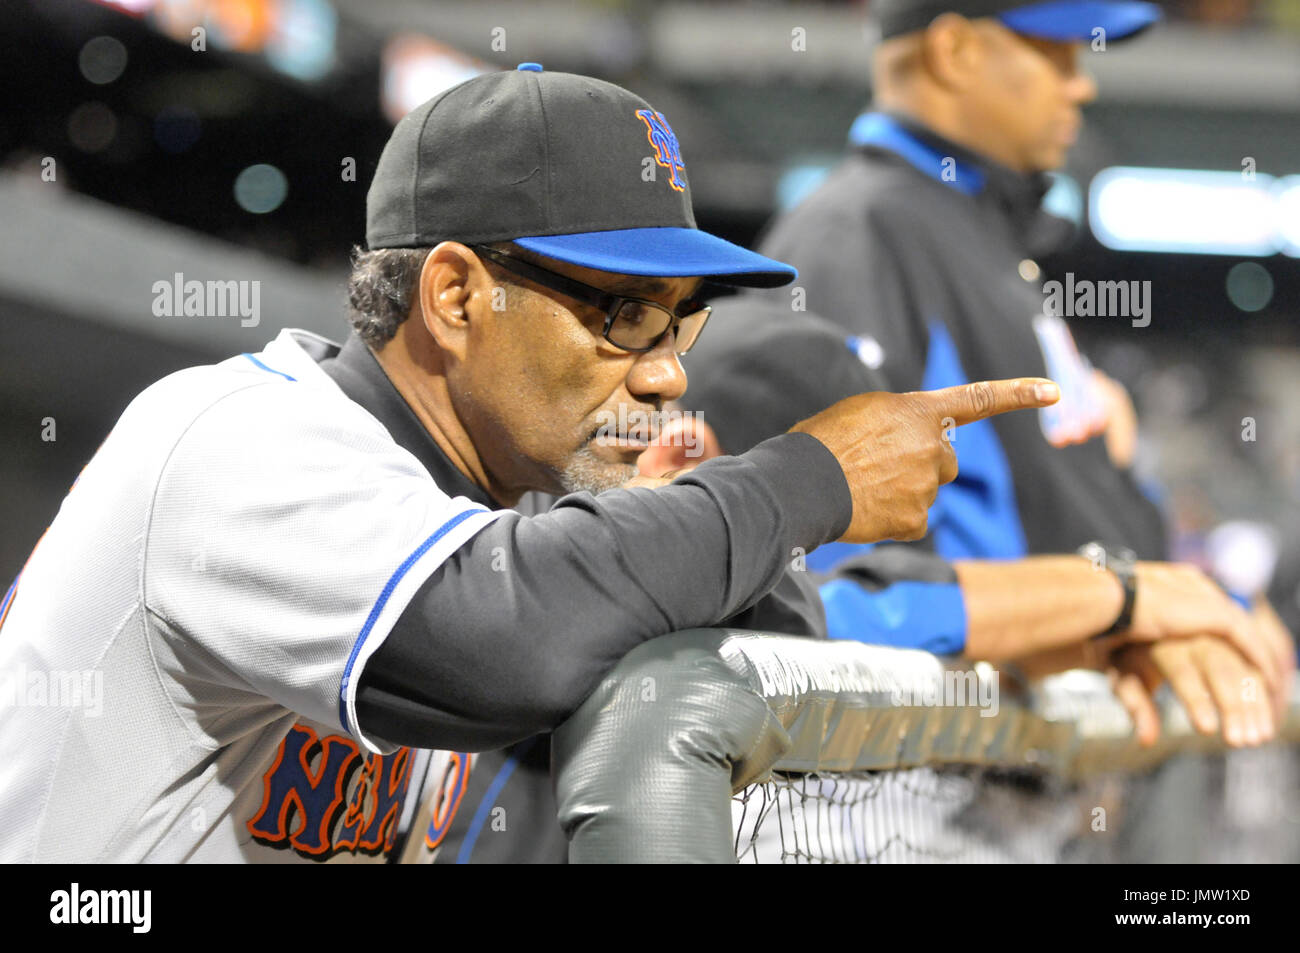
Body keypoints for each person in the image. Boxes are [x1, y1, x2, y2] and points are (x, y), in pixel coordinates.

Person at [0, 64, 1056, 863]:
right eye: (625, 316)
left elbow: (774, 649)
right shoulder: (235, 436)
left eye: (680, 326)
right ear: (456, 298)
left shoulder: (508, 506)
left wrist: (692, 541)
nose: (665, 377)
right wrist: (813, 475)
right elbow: (499, 635)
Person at [747, 0, 1294, 729]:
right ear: (954, 50)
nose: (1082, 85)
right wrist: (1119, 606)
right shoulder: (860, 231)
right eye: (1058, 53)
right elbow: (819, 592)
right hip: (910, 800)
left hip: (1010, 778)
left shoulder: (972, 235)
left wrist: (1138, 619)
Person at [677, 300, 1292, 748]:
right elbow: (833, 613)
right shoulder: (640, 577)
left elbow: (875, 614)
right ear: (681, 451)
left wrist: (1101, 637)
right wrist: (1121, 597)